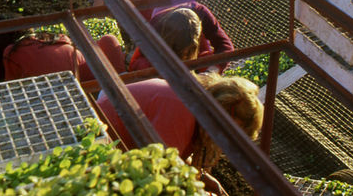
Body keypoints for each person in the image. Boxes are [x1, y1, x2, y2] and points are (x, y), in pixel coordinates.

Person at [97, 72, 262, 179]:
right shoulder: (182, 111)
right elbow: (156, 171)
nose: (227, 141)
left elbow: (170, 152)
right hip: (99, 144)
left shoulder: (192, 98)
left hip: (113, 142)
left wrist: (201, 177)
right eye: (231, 133)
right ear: (224, 112)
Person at [0, 24, 126, 83]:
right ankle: (122, 78)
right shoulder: (49, 38)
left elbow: (11, 86)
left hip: (75, 81)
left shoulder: (11, 53)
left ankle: (121, 79)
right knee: (109, 39)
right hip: (86, 76)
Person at [128, 2, 233, 74]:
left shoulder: (202, 14)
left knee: (209, 65)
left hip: (195, 51)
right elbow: (137, 61)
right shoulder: (155, 26)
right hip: (163, 55)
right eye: (183, 52)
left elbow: (225, 46)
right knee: (144, 65)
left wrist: (210, 72)